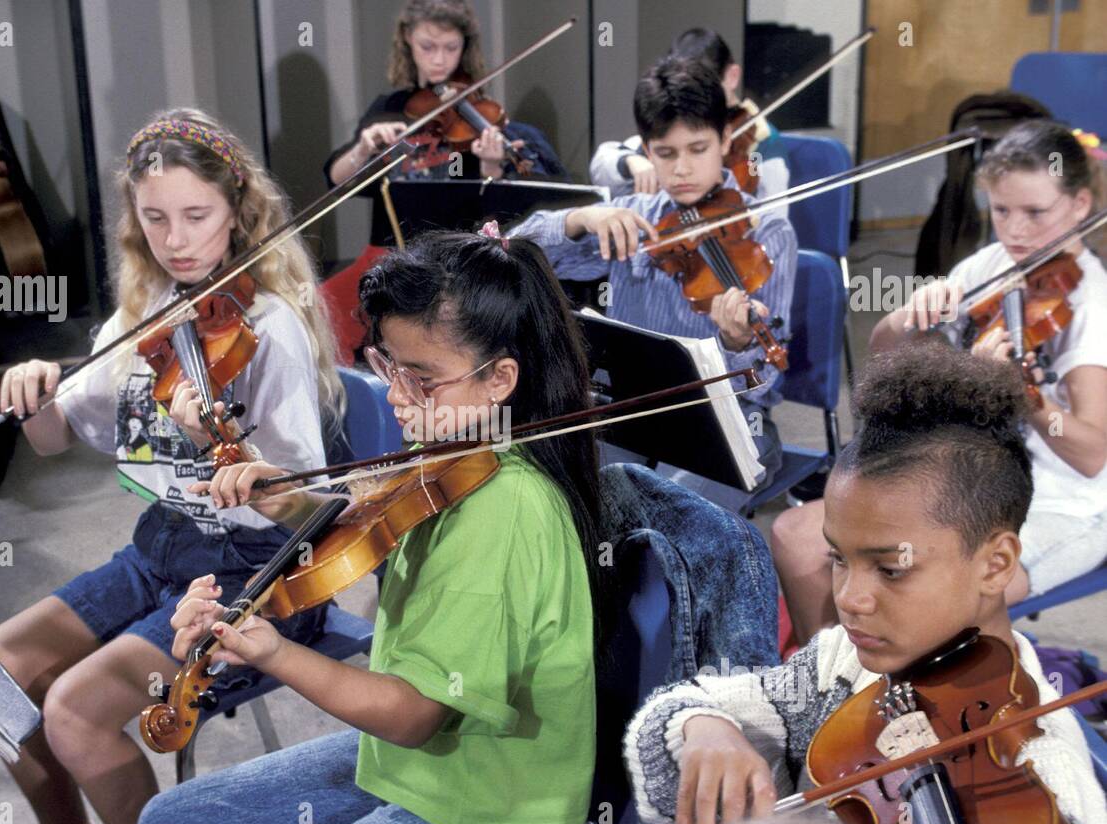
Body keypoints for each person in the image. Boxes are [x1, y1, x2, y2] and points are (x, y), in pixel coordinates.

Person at [136, 228, 604, 824]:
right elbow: (369, 529)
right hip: (428, 762)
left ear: (500, 381)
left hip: (490, 803)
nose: (395, 397)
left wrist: (273, 653)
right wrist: (294, 502)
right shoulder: (448, 448)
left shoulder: (505, 508)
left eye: (421, 380)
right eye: (386, 367)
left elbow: (413, 716)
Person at [0, 108, 343, 824]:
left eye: (195, 215)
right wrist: (31, 392)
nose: (175, 240)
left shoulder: (268, 326)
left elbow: (310, 513)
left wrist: (215, 437)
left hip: (258, 574)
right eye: (154, 218)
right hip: (160, 549)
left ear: (238, 213)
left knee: (75, 709)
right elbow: (51, 441)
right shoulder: (144, 313)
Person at [626, 343, 1107, 824]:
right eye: (838, 559)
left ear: (997, 565)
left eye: (892, 569)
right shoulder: (841, 665)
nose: (850, 600)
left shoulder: (1052, 779)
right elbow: (675, 707)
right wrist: (706, 729)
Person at [773, 120, 1107, 643]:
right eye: (1001, 211)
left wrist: (1026, 395)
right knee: (797, 536)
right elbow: (882, 354)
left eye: (1035, 213)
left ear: (1081, 205)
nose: (1015, 231)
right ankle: (828, 685)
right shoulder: (993, 265)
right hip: (977, 475)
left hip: (1066, 505)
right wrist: (909, 318)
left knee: (920, 594)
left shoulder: (1093, 304)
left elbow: (1091, 453)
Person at [513, 56, 797, 495]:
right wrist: (579, 219)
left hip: (727, 424)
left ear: (725, 139)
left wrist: (736, 346)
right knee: (564, 489)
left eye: (697, 149)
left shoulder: (767, 232)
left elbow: (763, 383)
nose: (681, 169)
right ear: (646, 151)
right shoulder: (634, 218)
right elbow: (514, 252)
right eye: (665, 154)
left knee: (669, 508)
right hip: (633, 413)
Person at [323, 0, 563, 246]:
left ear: (464, 46)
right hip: (394, 252)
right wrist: (361, 150)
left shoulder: (476, 116)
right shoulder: (390, 109)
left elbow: (497, 217)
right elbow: (336, 180)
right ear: (408, 37)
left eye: (451, 48)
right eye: (427, 47)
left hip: (459, 252)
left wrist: (491, 168)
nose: (439, 60)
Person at [590, 27, 789, 209]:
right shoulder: (676, 117)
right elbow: (603, 161)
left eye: (699, 149)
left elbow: (773, 208)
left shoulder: (759, 144)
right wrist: (630, 161)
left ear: (732, 77)